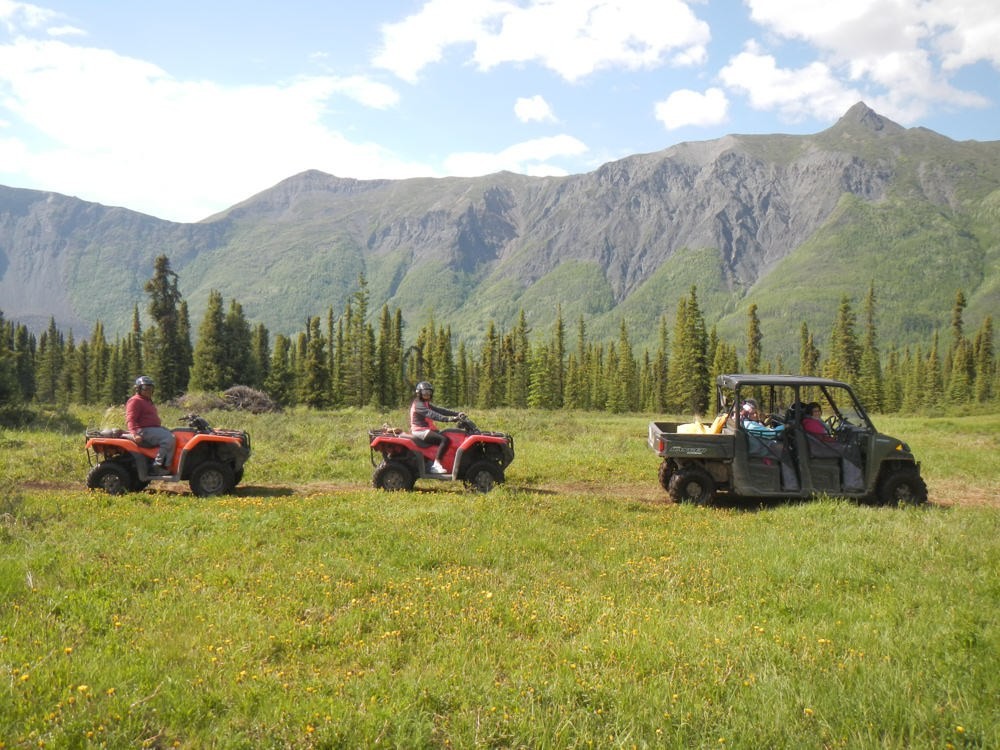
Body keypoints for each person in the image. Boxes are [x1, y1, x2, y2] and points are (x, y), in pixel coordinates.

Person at [410, 381, 465, 474]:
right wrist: (448, 419)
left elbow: (440, 410)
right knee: (444, 440)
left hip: (426, 429)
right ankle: (436, 465)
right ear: (419, 393)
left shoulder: (425, 403)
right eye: (424, 393)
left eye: (429, 393)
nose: (427, 395)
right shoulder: (418, 404)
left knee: (447, 435)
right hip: (420, 431)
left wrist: (456, 413)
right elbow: (432, 414)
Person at [125, 375, 174, 474]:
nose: (148, 391)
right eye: (145, 388)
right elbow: (130, 419)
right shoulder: (135, 400)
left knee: (176, 434)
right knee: (168, 438)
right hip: (143, 430)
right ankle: (158, 465)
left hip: (152, 429)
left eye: (150, 388)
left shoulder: (147, 401)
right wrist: (134, 434)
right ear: (138, 389)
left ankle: (169, 464)